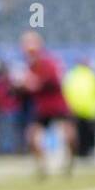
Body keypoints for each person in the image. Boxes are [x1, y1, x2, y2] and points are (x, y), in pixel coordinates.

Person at [19, 31, 73, 177]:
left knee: (68, 133)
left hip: (56, 105)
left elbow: (50, 82)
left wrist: (33, 83)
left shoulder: (47, 63)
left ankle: (68, 161)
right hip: (42, 108)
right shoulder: (30, 66)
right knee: (32, 136)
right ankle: (43, 165)